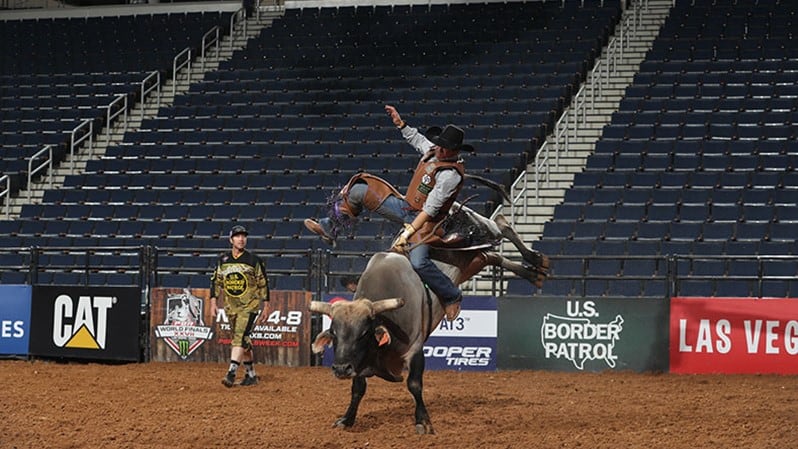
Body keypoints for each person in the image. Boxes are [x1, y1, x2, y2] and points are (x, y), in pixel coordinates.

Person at [305, 104, 466, 321]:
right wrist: (401, 124)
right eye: (438, 144)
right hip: (406, 207)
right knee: (359, 191)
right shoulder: (434, 153)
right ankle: (330, 227)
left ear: (450, 151)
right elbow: (417, 140)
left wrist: (407, 233)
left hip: (427, 223)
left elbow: (430, 209)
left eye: (442, 146)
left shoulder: (450, 176)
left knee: (419, 263)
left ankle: (451, 295)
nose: (436, 147)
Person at [210, 224, 270, 387]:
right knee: (243, 340)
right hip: (231, 307)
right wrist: (213, 302)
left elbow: (263, 283)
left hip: (249, 306)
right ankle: (251, 375)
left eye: (244, 236)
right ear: (231, 240)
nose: (241, 239)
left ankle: (231, 373)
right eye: (237, 236)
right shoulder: (223, 260)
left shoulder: (253, 260)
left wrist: (266, 306)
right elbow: (216, 282)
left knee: (238, 337)